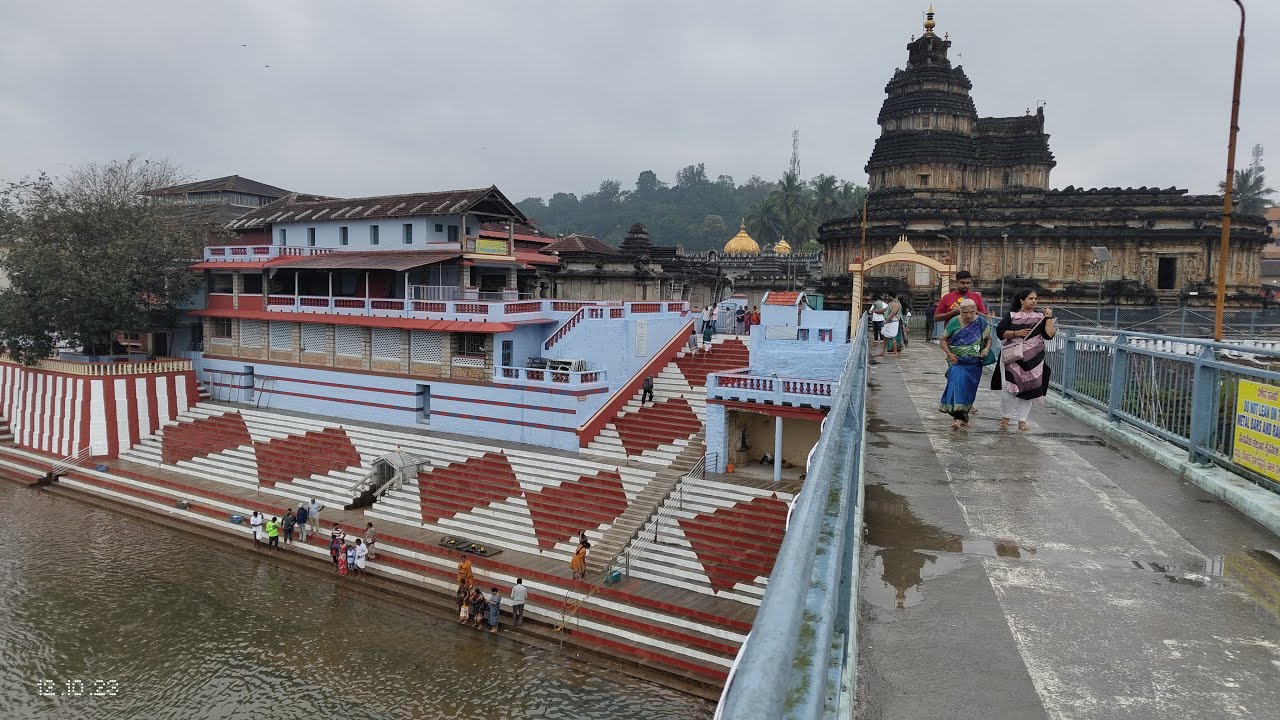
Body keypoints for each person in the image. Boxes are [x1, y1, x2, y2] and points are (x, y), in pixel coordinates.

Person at [995, 289, 1056, 431]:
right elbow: (1000, 331)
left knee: (1030, 388)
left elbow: (1049, 335)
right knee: (1008, 388)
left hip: (1034, 358)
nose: (1034, 301)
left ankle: (1022, 420)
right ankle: (1006, 416)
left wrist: (1049, 318)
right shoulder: (1011, 315)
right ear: (1022, 301)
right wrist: (1016, 333)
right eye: (1030, 298)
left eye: (1035, 298)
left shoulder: (1040, 316)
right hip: (1013, 357)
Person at [939, 298, 993, 430]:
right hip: (957, 361)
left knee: (969, 390)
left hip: (974, 362)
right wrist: (949, 354)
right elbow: (943, 339)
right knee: (957, 386)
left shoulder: (980, 321)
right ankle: (957, 419)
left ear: (976, 310)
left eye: (972, 312)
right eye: (965, 312)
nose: (968, 315)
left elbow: (988, 339)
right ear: (960, 311)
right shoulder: (954, 322)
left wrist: (986, 349)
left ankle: (964, 417)